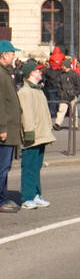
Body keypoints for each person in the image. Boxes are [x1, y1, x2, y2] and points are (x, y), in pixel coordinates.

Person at [17, 60, 54, 208]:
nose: (40, 72)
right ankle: (27, 197)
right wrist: (29, 132)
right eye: (38, 70)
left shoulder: (37, 90)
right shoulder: (25, 92)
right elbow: (27, 114)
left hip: (41, 133)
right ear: (30, 73)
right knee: (28, 167)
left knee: (36, 167)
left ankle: (36, 194)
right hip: (32, 135)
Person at [0, 39, 22, 212]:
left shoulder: (5, 72)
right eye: (11, 52)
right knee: (3, 167)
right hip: (4, 129)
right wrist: (2, 128)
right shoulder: (1, 74)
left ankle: (3, 197)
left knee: (4, 167)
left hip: (7, 127)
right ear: (3, 55)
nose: (14, 55)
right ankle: (1, 200)